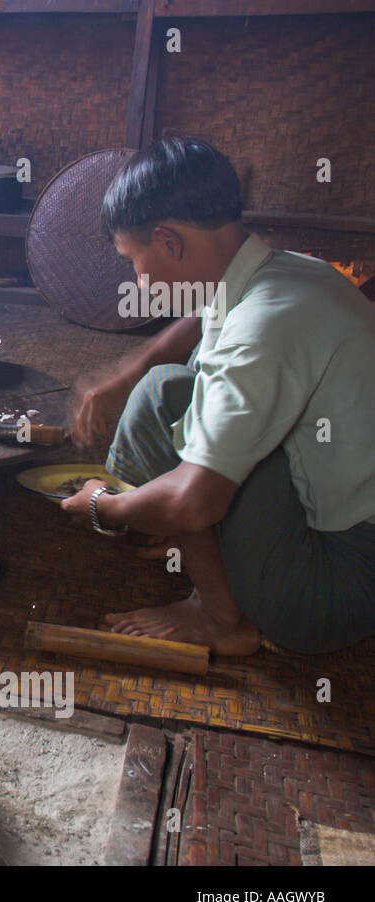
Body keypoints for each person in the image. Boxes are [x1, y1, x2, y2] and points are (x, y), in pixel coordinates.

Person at [63, 137, 375, 656]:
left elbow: (194, 500)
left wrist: (104, 507)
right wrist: (127, 369)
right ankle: (179, 548)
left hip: (334, 585)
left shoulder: (260, 328)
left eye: (131, 259)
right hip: (352, 534)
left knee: (169, 422)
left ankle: (222, 620)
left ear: (168, 241)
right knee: (162, 386)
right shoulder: (286, 272)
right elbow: (202, 318)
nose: (136, 280)